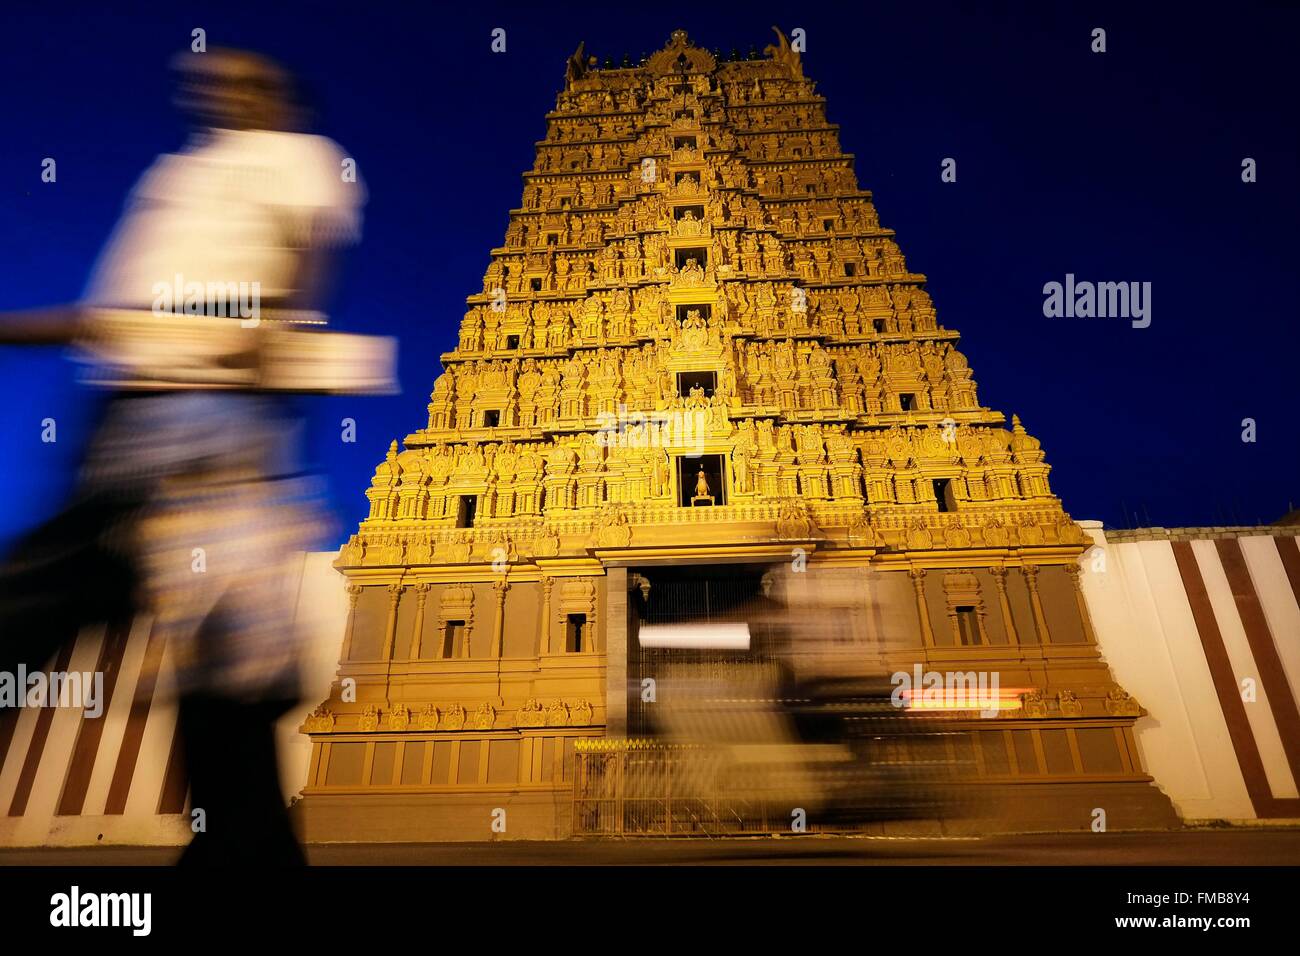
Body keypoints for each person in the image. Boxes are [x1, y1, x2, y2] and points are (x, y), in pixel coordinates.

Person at [0, 47, 379, 864]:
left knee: (66, 603)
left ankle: (242, 840)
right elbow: (113, 313)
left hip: (211, 413)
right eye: (210, 79)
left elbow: (299, 266)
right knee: (210, 658)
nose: (215, 86)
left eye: (243, 78)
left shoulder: (294, 159)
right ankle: (244, 843)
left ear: (276, 95)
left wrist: (261, 337)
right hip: (130, 406)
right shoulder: (179, 174)